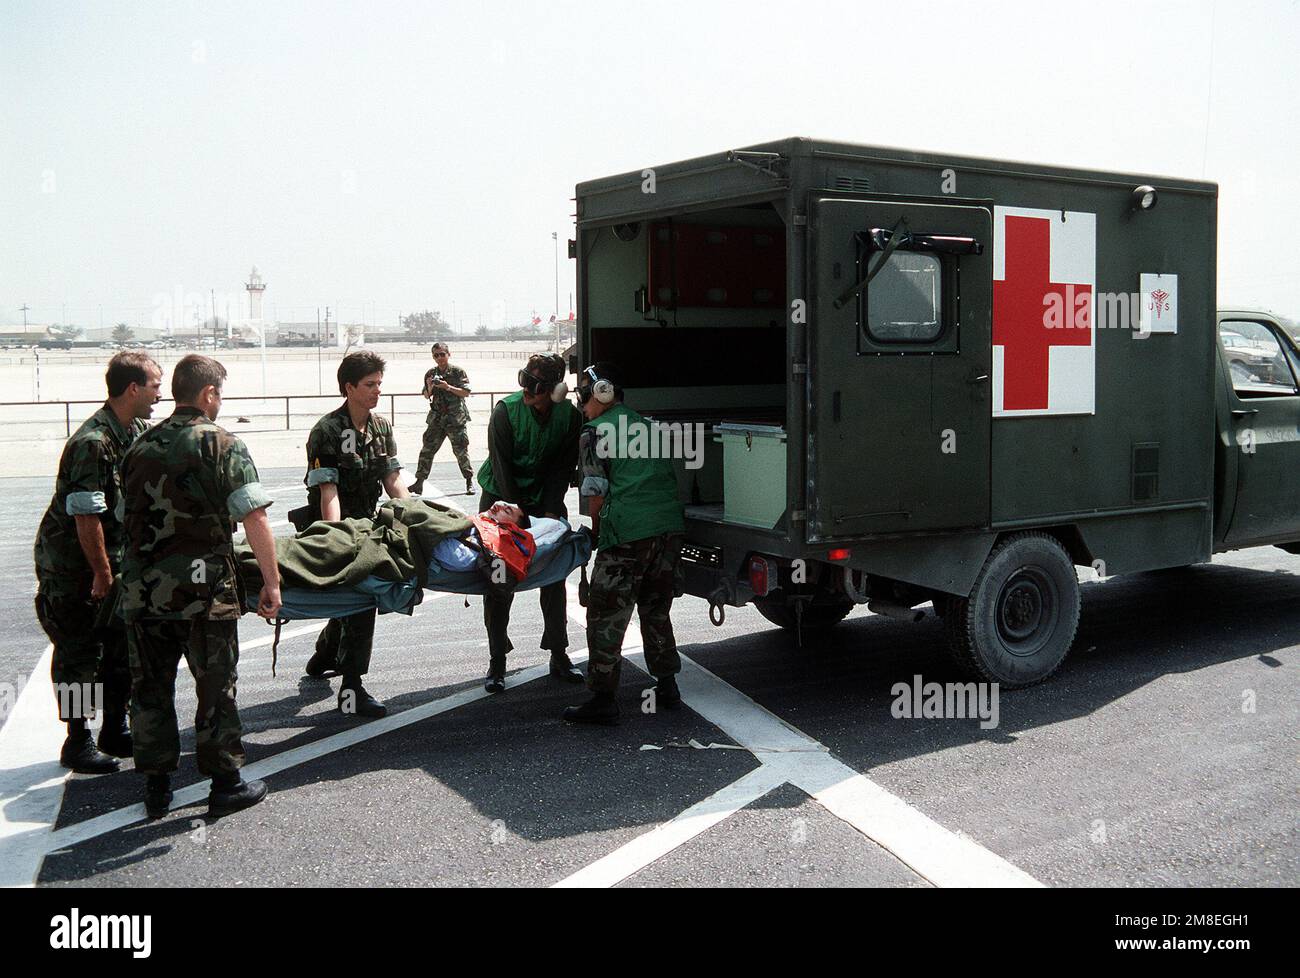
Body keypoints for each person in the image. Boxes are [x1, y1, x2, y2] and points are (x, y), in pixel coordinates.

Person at [120, 354, 282, 818]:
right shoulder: (222, 444)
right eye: (219, 394)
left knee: (149, 687)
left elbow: (121, 518)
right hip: (202, 591)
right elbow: (254, 516)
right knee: (214, 687)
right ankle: (225, 782)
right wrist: (271, 582)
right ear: (209, 393)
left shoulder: (141, 444)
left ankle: (155, 784)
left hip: (144, 590)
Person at [33, 352, 162, 773]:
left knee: (122, 647)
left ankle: (113, 728)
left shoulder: (135, 431)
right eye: (155, 386)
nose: (159, 394)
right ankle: (77, 738)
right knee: (78, 653)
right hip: (74, 566)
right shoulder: (92, 443)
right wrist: (102, 574)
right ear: (132, 389)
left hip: (115, 559)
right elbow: (85, 515)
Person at [564, 362, 686, 725]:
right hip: (667, 529)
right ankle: (667, 686)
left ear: (601, 392)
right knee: (656, 609)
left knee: (605, 613)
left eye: (584, 393)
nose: (581, 401)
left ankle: (603, 699)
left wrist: (598, 533)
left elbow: (596, 494)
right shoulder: (649, 427)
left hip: (628, 533)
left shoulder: (594, 432)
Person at [302, 351, 409, 717]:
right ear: (349, 387)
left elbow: (392, 480)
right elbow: (327, 493)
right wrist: (336, 539)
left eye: (379, 384)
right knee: (362, 600)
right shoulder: (327, 431)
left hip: (369, 524)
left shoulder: (380, 428)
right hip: (335, 524)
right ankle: (352, 687)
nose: (377, 391)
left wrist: (413, 516)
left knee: (354, 598)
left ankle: (325, 655)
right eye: (369, 385)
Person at [476, 352, 583, 693]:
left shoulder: (569, 416)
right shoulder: (505, 412)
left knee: (554, 577)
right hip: (501, 498)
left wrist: (551, 512)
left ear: (555, 391)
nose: (525, 389)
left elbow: (563, 468)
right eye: (523, 379)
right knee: (498, 580)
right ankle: (497, 661)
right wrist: (514, 519)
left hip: (545, 500)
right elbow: (502, 466)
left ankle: (559, 654)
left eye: (534, 385)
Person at [408, 342, 473, 496]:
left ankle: (469, 481)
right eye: (436, 355)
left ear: (448, 354)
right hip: (437, 419)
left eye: (442, 354)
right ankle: (419, 483)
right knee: (427, 451)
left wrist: (448, 387)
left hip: (455, 418)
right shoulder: (431, 373)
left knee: (461, 451)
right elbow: (426, 395)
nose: (439, 358)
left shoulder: (457, 372)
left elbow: (465, 392)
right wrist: (430, 387)